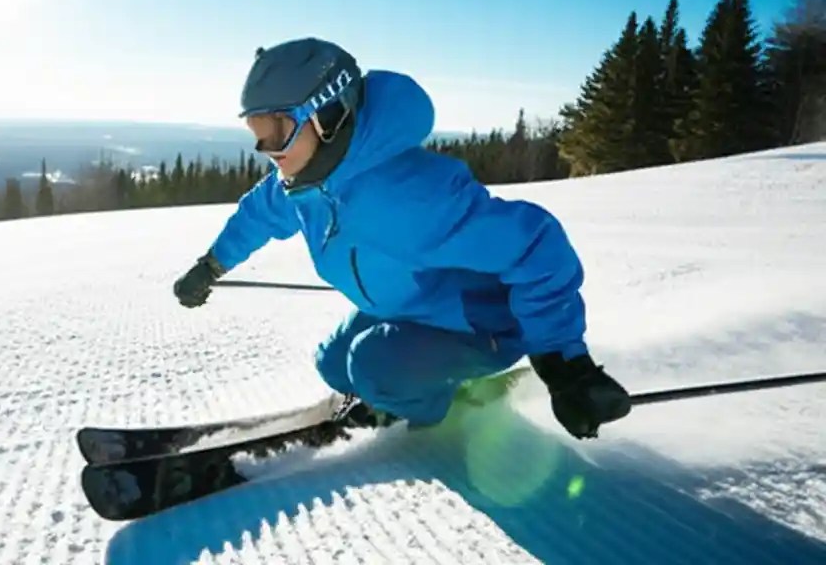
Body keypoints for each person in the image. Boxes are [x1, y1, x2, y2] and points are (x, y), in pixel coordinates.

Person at [173, 37, 631, 439]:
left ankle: (445, 408)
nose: (268, 152)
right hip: (407, 311)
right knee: (334, 365)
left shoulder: (411, 196)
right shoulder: (305, 183)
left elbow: (537, 245)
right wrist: (212, 264)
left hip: (480, 328)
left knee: (372, 368)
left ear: (328, 115)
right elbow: (259, 213)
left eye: (277, 132)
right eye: (257, 134)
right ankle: (397, 385)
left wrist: (563, 364)